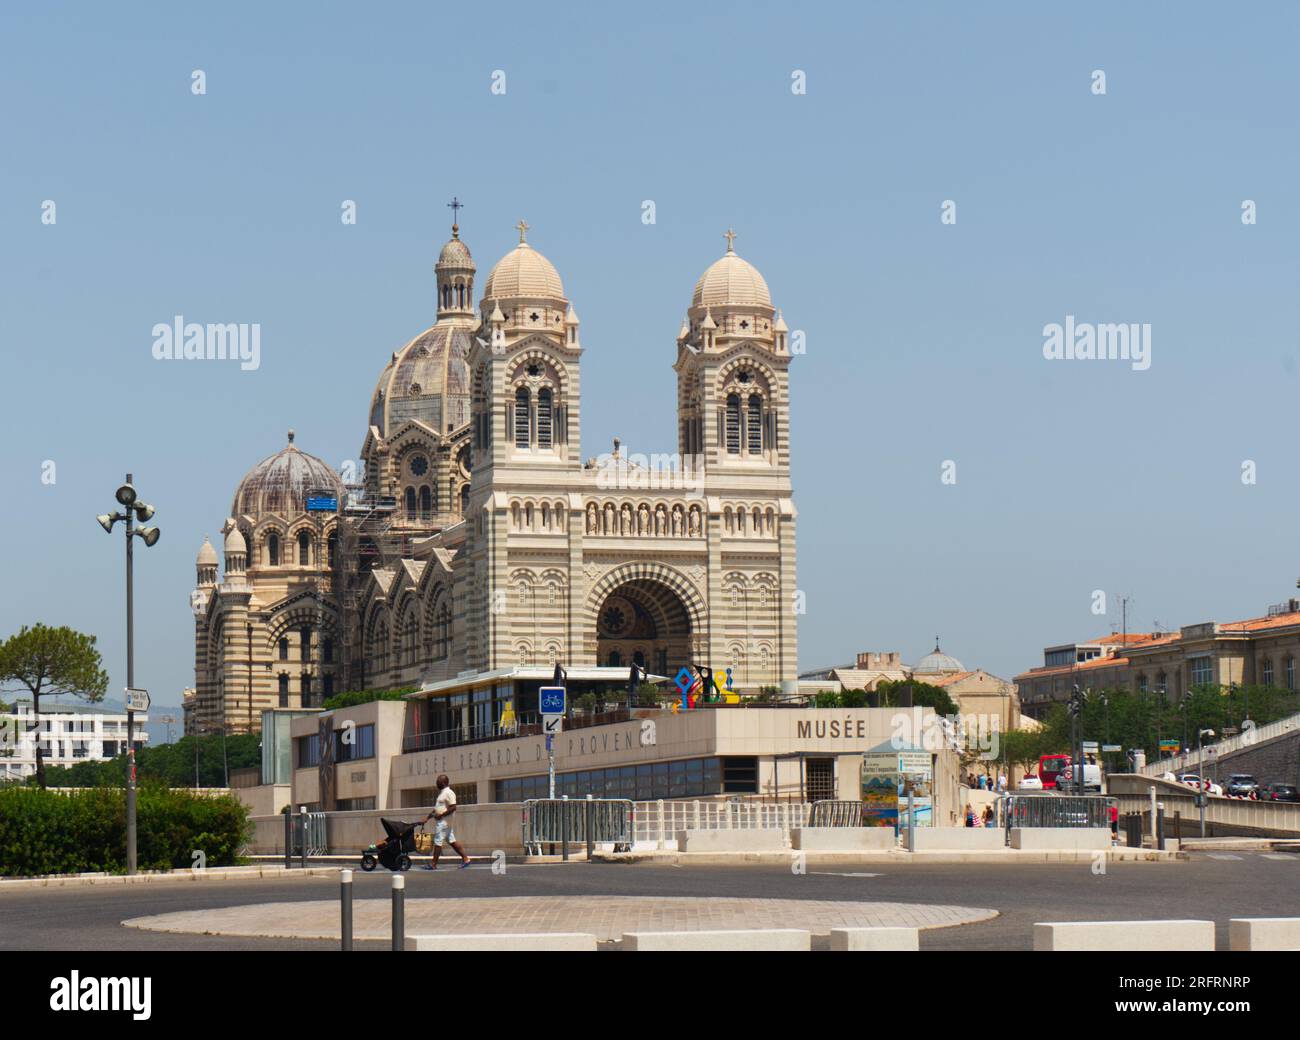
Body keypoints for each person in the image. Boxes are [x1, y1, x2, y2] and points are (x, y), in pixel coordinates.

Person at [423, 773, 471, 869]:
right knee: (451, 840)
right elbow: (437, 808)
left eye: (438, 781)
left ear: (444, 782)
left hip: (444, 822)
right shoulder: (442, 793)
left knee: (438, 841)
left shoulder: (449, 792)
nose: (436, 783)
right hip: (443, 821)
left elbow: (453, 807)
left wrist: (441, 815)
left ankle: (433, 864)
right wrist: (427, 818)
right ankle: (466, 859)